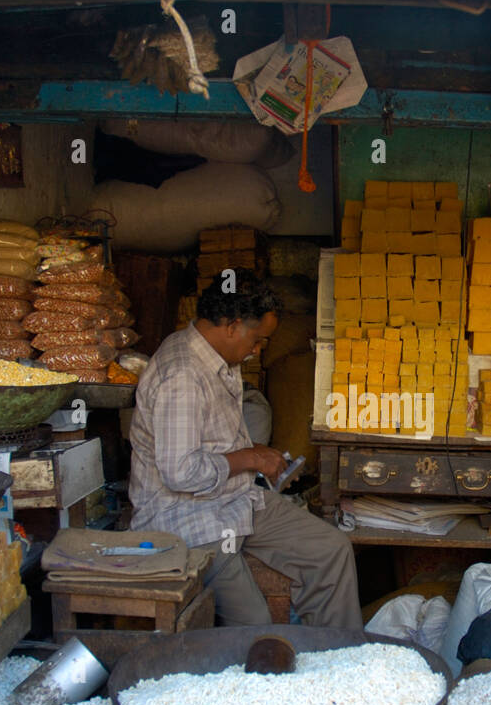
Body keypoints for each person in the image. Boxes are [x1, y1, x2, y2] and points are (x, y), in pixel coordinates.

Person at [128, 269, 363, 629]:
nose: (256, 352)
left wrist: (256, 453)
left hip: (235, 500)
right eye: (258, 340)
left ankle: (337, 658)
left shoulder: (217, 360)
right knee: (253, 622)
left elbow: (209, 441)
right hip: (189, 517)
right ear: (233, 326)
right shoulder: (182, 375)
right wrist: (249, 457)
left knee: (330, 550)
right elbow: (181, 472)